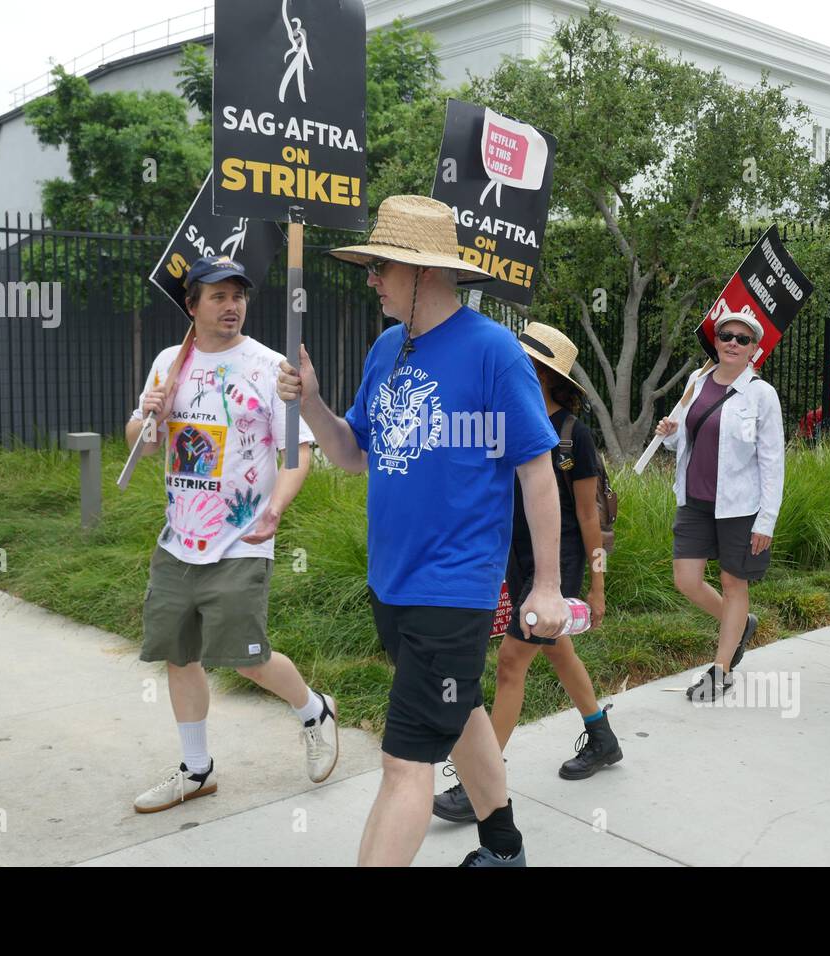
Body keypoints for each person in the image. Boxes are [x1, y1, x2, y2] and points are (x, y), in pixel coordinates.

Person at [276, 196, 568, 867]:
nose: (371, 277)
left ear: (422, 272)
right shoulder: (388, 347)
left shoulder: (494, 352)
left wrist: (547, 585)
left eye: (381, 266)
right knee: (457, 709)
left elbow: (538, 471)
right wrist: (314, 402)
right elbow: (353, 454)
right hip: (392, 580)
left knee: (404, 766)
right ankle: (504, 849)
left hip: (453, 587)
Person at [126, 255, 338, 814]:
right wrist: (149, 414)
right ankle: (197, 770)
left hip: (242, 538)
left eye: (237, 294)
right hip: (178, 539)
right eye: (217, 296)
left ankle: (314, 710)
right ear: (191, 305)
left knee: (245, 657)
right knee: (180, 654)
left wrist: (274, 510)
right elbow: (141, 442)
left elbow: (297, 453)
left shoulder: (271, 367)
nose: (231, 305)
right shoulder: (169, 364)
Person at [433, 322, 620, 825]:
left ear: (541, 373)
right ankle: (602, 737)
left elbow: (591, 519)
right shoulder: (506, 420)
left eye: (518, 363)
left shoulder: (571, 436)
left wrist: (596, 586)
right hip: (516, 558)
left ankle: (479, 785)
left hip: (556, 565)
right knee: (558, 651)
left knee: (512, 663)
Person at [654, 311, 784, 701]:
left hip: (740, 507)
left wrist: (767, 520)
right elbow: (681, 441)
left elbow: (772, 461)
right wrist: (668, 434)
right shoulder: (697, 381)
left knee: (733, 583)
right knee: (686, 580)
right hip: (694, 500)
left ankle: (721, 669)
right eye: (726, 335)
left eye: (742, 339)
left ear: (754, 351)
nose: (732, 342)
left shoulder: (762, 394)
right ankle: (741, 624)